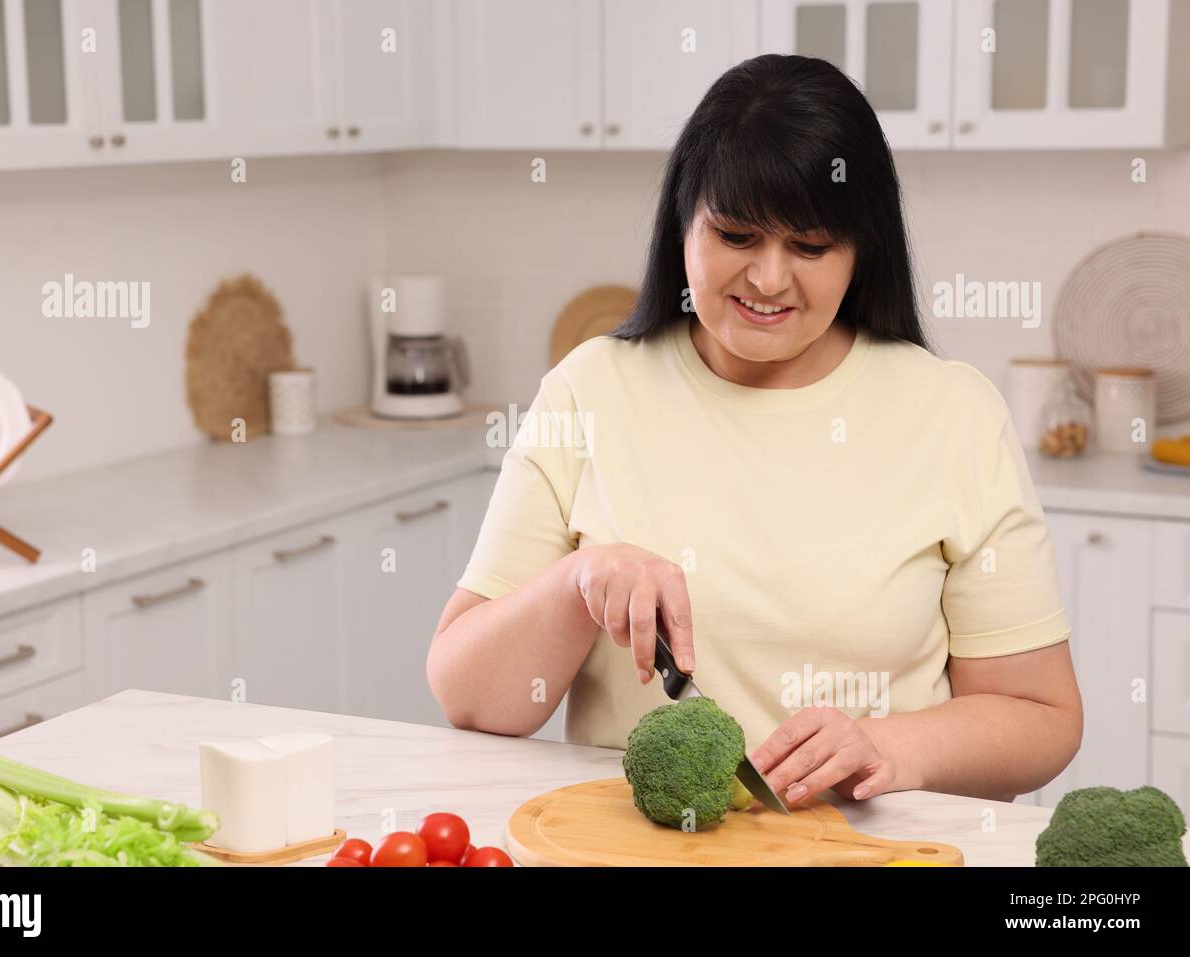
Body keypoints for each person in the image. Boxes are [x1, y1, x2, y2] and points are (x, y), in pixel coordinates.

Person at [427, 55, 1081, 806]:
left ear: (862, 248)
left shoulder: (954, 413)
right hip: (638, 851)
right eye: (737, 236)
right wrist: (576, 584)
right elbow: (467, 698)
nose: (769, 280)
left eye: (809, 247)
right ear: (684, 225)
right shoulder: (589, 391)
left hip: (873, 851)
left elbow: (1042, 718)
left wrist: (892, 747)